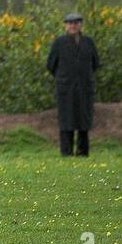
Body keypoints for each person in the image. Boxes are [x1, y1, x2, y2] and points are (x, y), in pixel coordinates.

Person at [47, 12, 100, 157]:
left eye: (76, 23)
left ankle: (83, 153)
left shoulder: (88, 42)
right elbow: (51, 64)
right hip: (65, 88)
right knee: (66, 121)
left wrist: (84, 76)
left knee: (84, 121)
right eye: (70, 23)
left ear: (80, 25)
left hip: (84, 87)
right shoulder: (59, 43)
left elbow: (95, 63)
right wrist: (63, 78)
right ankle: (67, 153)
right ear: (66, 26)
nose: (73, 26)